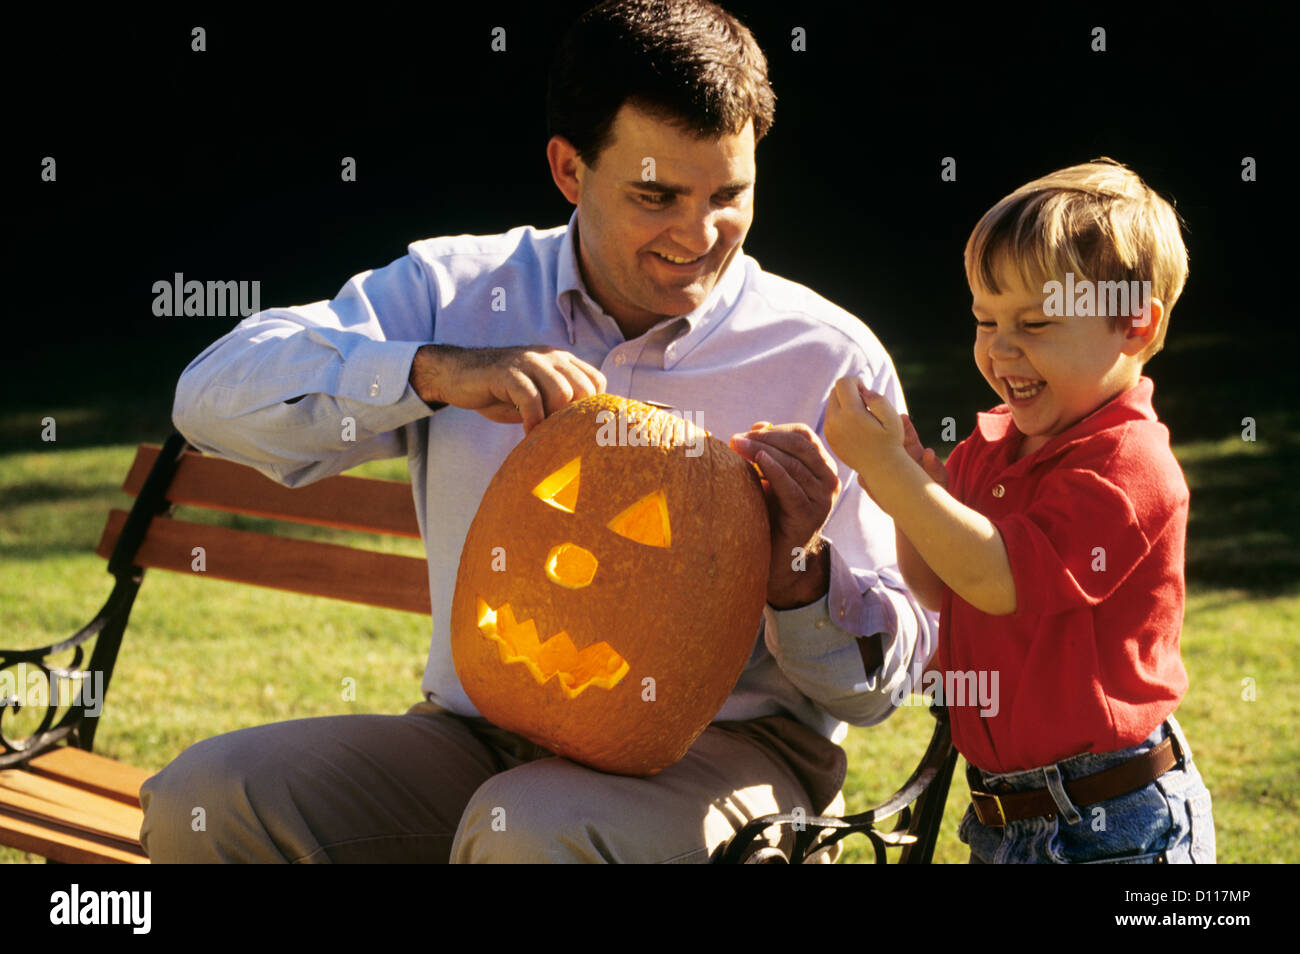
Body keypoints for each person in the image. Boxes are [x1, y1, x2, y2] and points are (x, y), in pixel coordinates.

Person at [139, 0, 936, 863]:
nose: (698, 236)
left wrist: (800, 575)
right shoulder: (456, 291)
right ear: (568, 169)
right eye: (656, 196)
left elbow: (880, 689)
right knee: (210, 799)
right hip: (479, 735)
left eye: (728, 195)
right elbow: (210, 394)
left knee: (532, 827)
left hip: (729, 760)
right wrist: (434, 373)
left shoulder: (828, 358)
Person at [824, 158, 1216, 863]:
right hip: (1005, 815)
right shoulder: (993, 447)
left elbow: (998, 580)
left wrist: (891, 476)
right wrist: (918, 477)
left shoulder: (1129, 465)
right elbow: (940, 581)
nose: (1001, 348)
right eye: (985, 319)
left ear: (1134, 324)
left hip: (1113, 817)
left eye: (1034, 322)